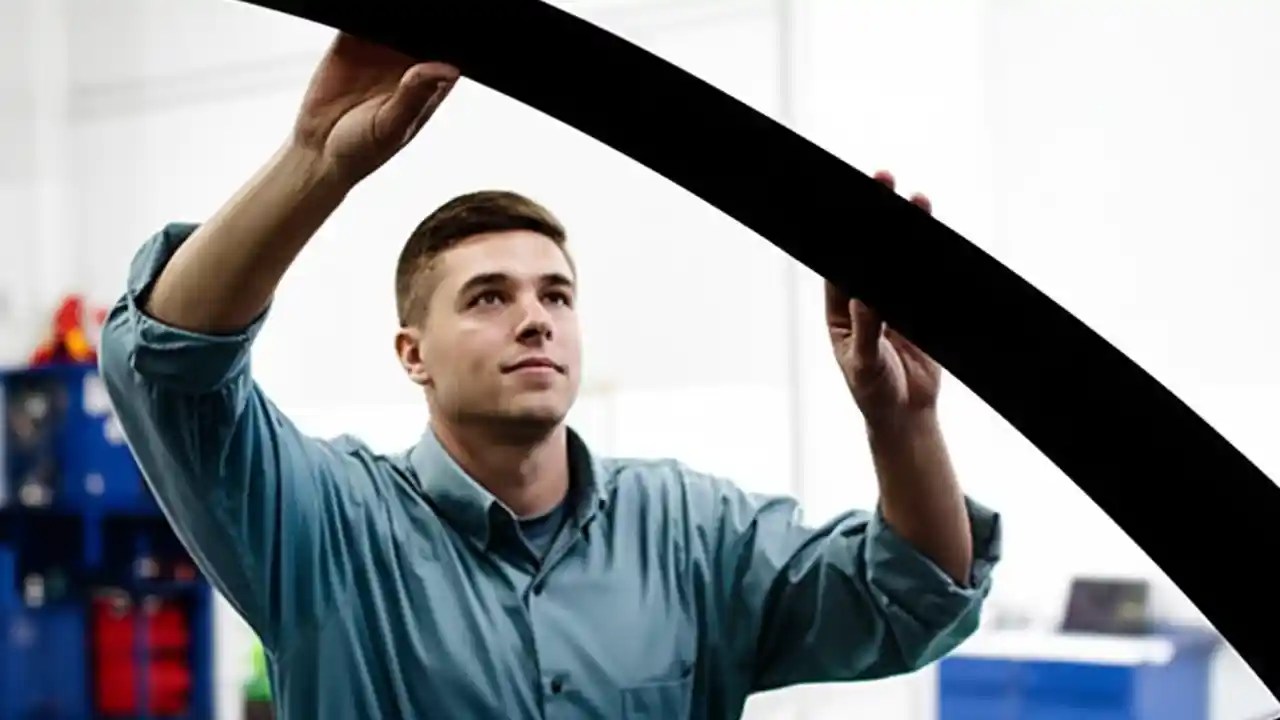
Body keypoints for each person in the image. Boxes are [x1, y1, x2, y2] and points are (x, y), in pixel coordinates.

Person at [98, 31, 1001, 720]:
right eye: (488, 297)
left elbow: (908, 599)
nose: (536, 317)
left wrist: (903, 420)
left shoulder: (689, 533)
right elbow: (169, 365)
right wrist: (312, 163)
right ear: (412, 354)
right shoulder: (324, 527)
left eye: (556, 295)